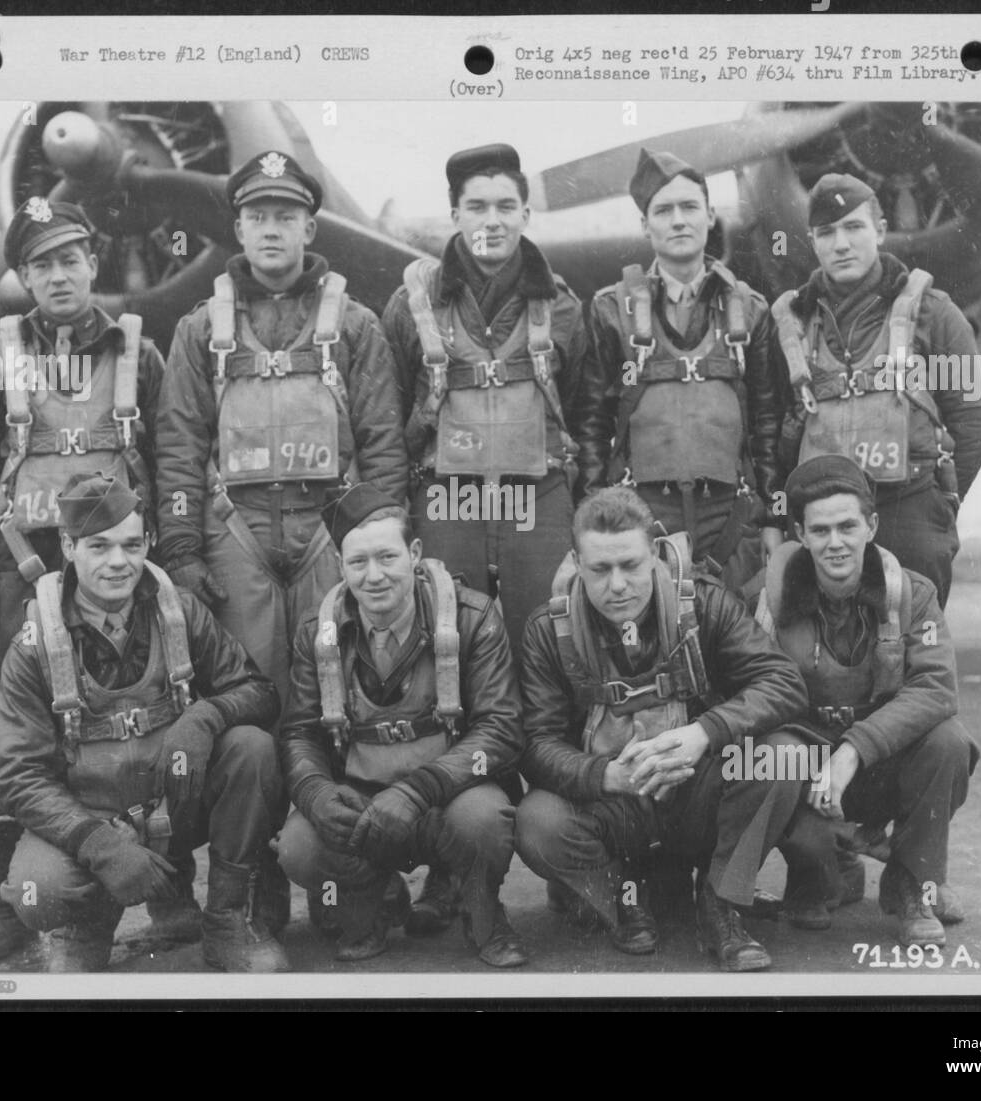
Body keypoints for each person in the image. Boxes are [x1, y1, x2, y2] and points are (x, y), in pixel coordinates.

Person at [156, 150, 408, 929]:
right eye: (258, 215)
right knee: (252, 713)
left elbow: (383, 442)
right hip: (238, 533)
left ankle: (350, 872)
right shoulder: (201, 328)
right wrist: (185, 554)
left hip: (327, 528)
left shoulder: (356, 323)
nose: (272, 229)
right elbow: (176, 445)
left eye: (286, 215)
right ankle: (255, 874)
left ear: (309, 224)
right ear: (238, 225)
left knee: (338, 693)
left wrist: (382, 545)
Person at [0, 198, 165, 964]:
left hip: (123, 569)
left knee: (150, 712)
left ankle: (167, 891)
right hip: (29, 566)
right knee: (12, 738)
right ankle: (0, 907)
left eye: (70, 257)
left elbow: (171, 460)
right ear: (23, 274)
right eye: (41, 262)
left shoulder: (138, 347)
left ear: (93, 263)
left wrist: (178, 564)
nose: (58, 274)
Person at [0, 473, 289, 972]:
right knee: (38, 889)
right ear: (68, 546)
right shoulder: (32, 646)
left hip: (172, 807)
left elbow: (259, 692)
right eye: (99, 546)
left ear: (148, 542)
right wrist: (98, 843)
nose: (118, 562)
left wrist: (206, 714)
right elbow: (19, 775)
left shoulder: (181, 612)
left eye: (132, 545)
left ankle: (226, 920)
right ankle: (84, 928)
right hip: (92, 818)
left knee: (251, 748)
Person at [515, 487, 811, 970]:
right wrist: (605, 775)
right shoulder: (549, 630)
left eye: (631, 565)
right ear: (575, 561)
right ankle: (623, 899)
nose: (617, 585)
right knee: (537, 822)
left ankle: (721, 904)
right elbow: (534, 744)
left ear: (654, 551)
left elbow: (783, 681)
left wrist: (704, 733)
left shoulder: (706, 604)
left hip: (695, 792)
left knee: (783, 755)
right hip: (612, 805)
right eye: (600, 569)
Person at [276, 484, 529, 967]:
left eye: (387, 557)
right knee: (298, 845)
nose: (374, 577)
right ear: (339, 563)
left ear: (414, 553)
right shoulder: (318, 631)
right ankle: (372, 902)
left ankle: (482, 911)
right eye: (358, 562)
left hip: (449, 795)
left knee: (484, 821)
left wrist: (417, 791)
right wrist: (315, 793)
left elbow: (500, 730)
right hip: (362, 801)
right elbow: (301, 731)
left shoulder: (473, 617)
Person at [381, 142, 608, 655]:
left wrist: (588, 501)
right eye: (477, 207)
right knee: (448, 637)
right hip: (446, 495)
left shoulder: (563, 306)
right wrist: (394, 510)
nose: (492, 220)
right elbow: (389, 417)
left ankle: (546, 737)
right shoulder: (408, 306)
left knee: (550, 636)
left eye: (506, 207)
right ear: (455, 213)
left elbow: (584, 411)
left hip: (537, 492)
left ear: (525, 214)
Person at [753, 454, 977, 947]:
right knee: (762, 755)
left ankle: (912, 883)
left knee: (948, 742)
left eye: (848, 526)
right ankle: (820, 871)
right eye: (820, 530)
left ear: (872, 525)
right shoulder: (769, 603)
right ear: (800, 534)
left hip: (876, 765)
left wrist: (852, 750)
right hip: (806, 769)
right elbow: (750, 693)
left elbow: (936, 688)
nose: (835, 543)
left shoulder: (911, 593)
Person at [770, 173, 981, 608]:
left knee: (915, 656)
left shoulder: (938, 315)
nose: (841, 244)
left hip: (909, 512)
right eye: (826, 232)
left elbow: (973, 423)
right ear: (813, 241)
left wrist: (939, 506)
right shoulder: (789, 328)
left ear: (881, 230)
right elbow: (773, 432)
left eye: (854, 227)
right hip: (825, 529)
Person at [588, 148, 781, 589]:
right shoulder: (610, 311)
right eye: (663, 210)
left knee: (736, 643)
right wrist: (595, 520)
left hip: (731, 516)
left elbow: (769, 425)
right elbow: (591, 428)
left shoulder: (750, 310)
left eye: (690, 207)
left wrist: (774, 517)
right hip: (642, 515)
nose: (678, 220)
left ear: (711, 216)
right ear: (644, 224)